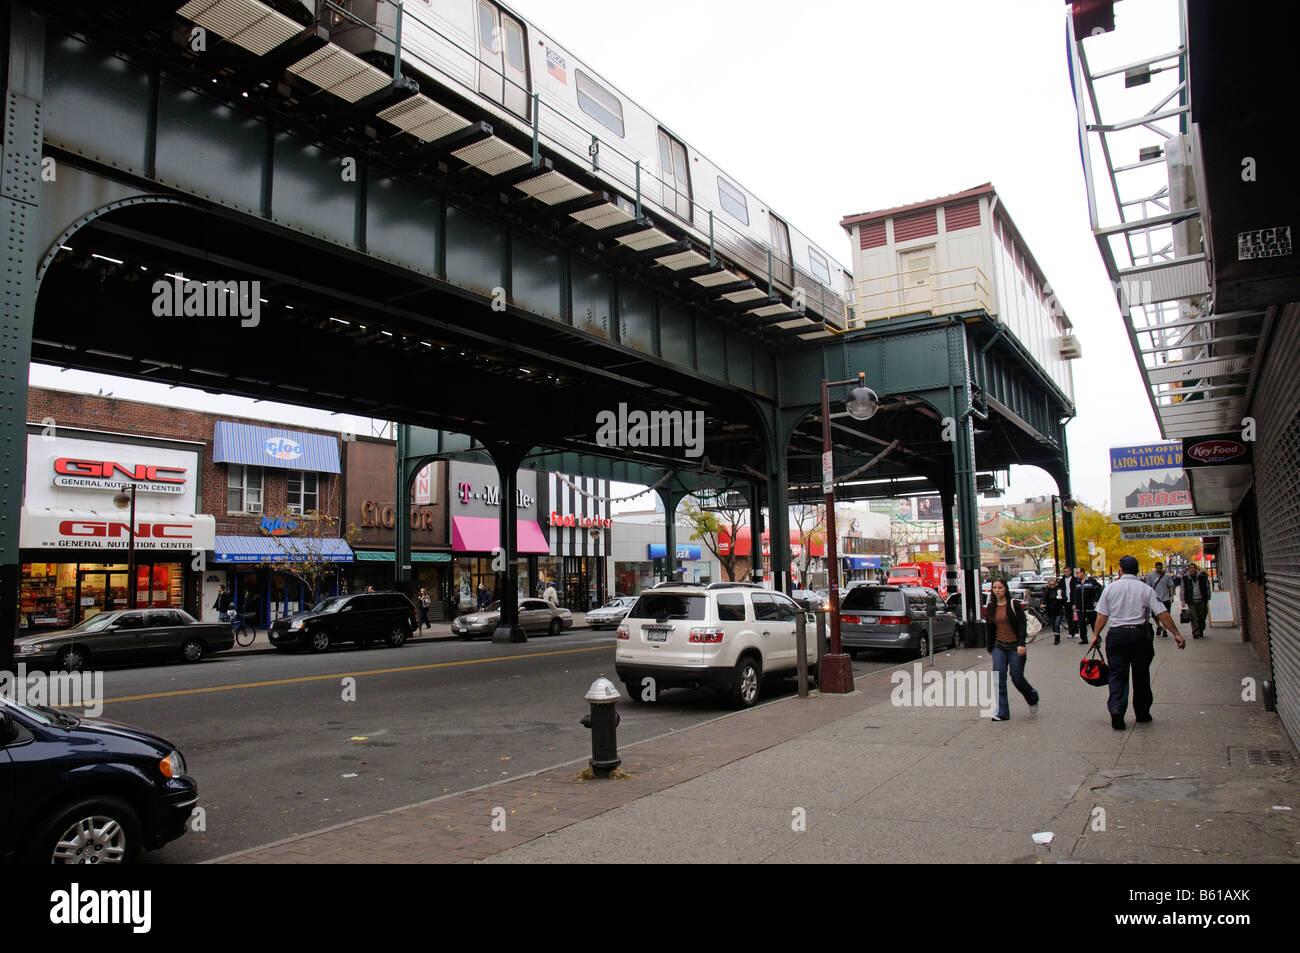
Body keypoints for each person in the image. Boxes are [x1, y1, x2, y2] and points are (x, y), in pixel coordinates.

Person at [1092, 555, 1185, 730]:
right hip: (1140, 635)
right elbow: (1162, 613)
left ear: (1121, 570)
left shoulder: (1110, 588)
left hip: (1117, 635)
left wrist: (1096, 635)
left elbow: (1102, 616)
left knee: (1117, 674)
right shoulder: (1145, 589)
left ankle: (1117, 709)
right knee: (1141, 675)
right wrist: (1176, 634)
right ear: (1137, 570)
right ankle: (1142, 713)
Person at [983, 578, 1039, 722]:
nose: (997, 590)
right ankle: (1002, 712)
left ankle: (1032, 696)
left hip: (1015, 646)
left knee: (1016, 677)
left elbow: (1021, 625)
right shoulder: (991, 607)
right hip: (999, 647)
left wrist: (1021, 644)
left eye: (1000, 587)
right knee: (999, 677)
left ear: (1005, 589)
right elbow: (989, 627)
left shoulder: (1014, 605)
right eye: (995, 587)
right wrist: (990, 646)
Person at [1143, 561, 1174, 637]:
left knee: (1166, 614)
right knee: (1155, 615)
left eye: (1160, 568)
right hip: (1155, 598)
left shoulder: (1167, 576)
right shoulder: (1150, 576)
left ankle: (1164, 629)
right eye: (1157, 568)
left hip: (1165, 598)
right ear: (1155, 567)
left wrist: (1171, 596)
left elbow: (1171, 586)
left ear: (1162, 568)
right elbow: (1148, 587)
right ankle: (1158, 626)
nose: (1159, 569)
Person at [1183, 563, 1211, 639]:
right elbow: (1182, 589)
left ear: (1196, 569)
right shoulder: (1185, 578)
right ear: (1188, 569)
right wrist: (1183, 600)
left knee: (1202, 616)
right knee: (1194, 617)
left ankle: (1201, 629)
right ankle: (1196, 632)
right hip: (1191, 600)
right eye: (1190, 568)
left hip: (1202, 599)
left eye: (1193, 568)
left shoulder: (1202, 577)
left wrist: (1208, 597)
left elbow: (1207, 586)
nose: (1192, 569)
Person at [1043, 579, 1063, 645]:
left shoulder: (1059, 590)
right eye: (1050, 584)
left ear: (1055, 584)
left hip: (1058, 610)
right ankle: (1056, 634)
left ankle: (1057, 638)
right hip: (1050, 611)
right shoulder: (1047, 591)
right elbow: (1044, 598)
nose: (1052, 586)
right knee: (1054, 625)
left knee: (1057, 624)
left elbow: (1064, 597)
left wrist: (1061, 598)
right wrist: (1042, 603)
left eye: (1053, 584)